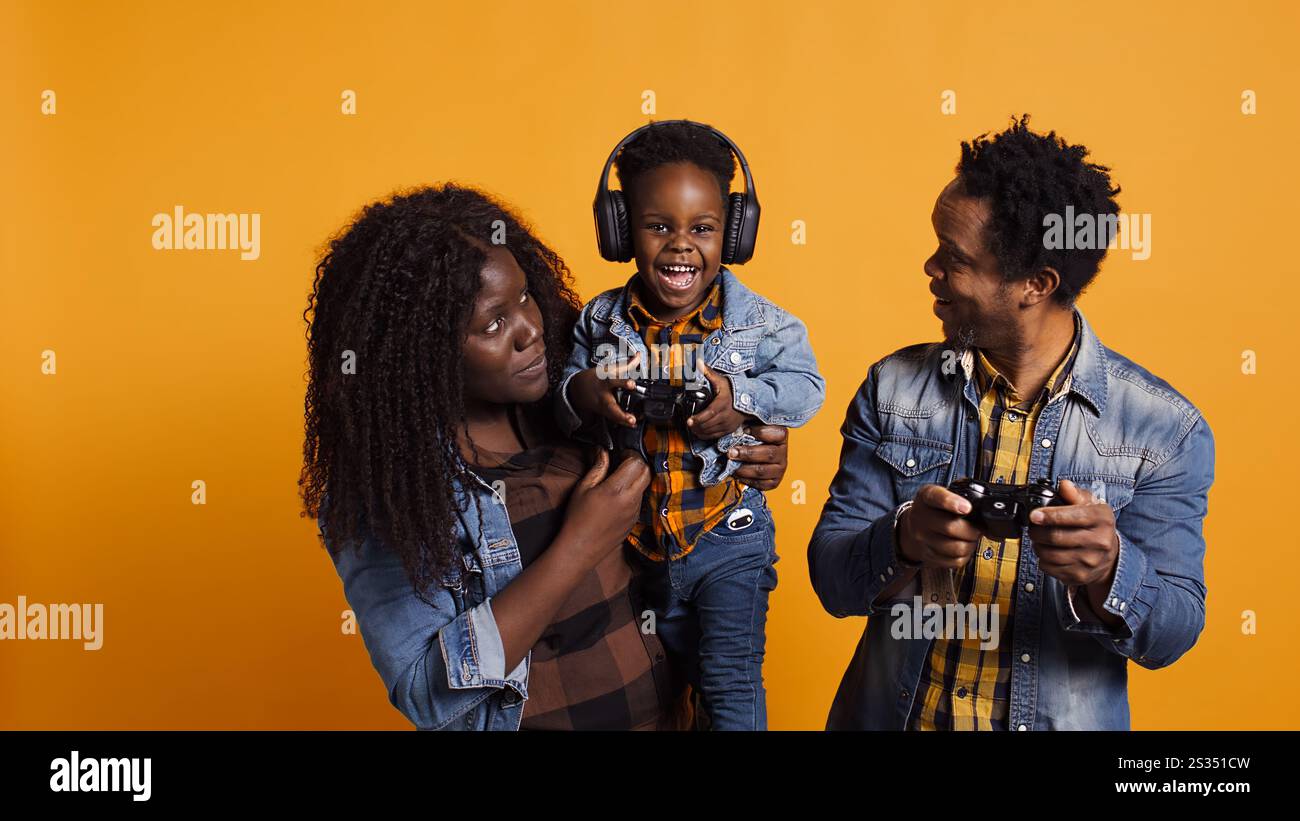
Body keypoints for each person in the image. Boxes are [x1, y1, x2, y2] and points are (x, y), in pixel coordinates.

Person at [299, 183, 791, 731]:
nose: (530, 330)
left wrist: (747, 439)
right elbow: (424, 692)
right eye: (492, 324)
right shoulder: (393, 487)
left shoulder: (584, 386)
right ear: (421, 351)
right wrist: (579, 545)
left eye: (525, 296)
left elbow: (700, 445)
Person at [808, 115, 1214, 731]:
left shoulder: (1164, 430)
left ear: (1035, 284)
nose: (930, 269)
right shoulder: (892, 389)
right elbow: (832, 582)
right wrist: (905, 538)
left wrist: (1110, 569)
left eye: (954, 258)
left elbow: (1173, 634)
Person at [560, 121, 825, 729]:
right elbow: (561, 396)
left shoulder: (763, 323)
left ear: (732, 234)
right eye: (659, 227)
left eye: (703, 229)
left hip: (725, 536)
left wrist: (742, 398)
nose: (682, 246)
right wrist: (589, 390)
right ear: (621, 228)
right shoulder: (599, 320)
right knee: (650, 694)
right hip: (630, 547)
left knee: (729, 686)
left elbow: (808, 389)